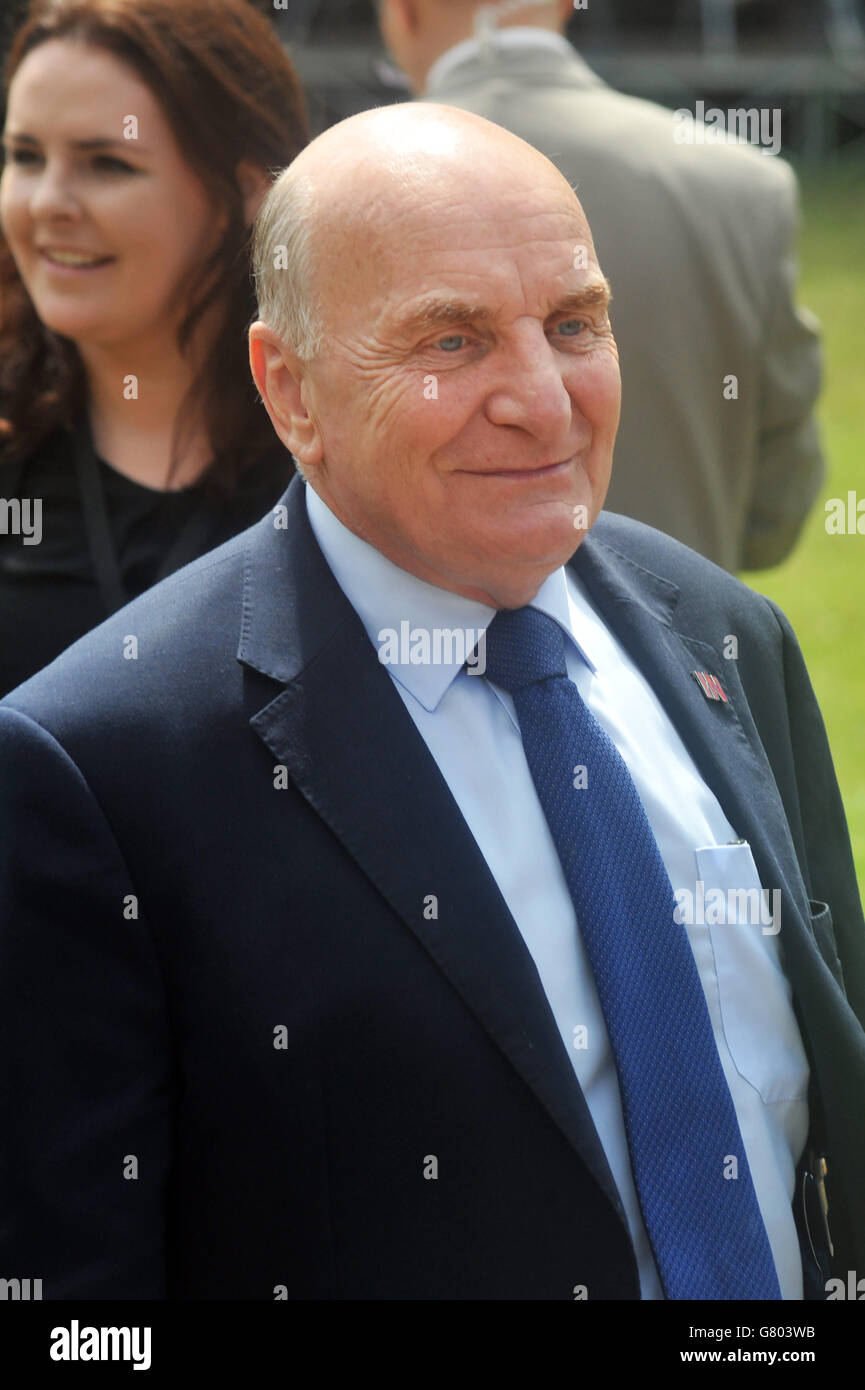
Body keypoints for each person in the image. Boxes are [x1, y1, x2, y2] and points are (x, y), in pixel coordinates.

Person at [1, 103, 862, 1301]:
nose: (545, 402)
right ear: (289, 388)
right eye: (451, 342)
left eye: (573, 324)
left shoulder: (725, 632)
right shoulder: (99, 768)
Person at [375, 0, 826, 573]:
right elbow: (777, 507)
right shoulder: (743, 184)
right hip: (680, 647)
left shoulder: (332, 203)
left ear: (403, 11)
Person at [0, 0, 308, 695]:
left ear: (249, 188)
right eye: (24, 156)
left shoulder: (340, 466)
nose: (48, 201)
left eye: (107, 163)